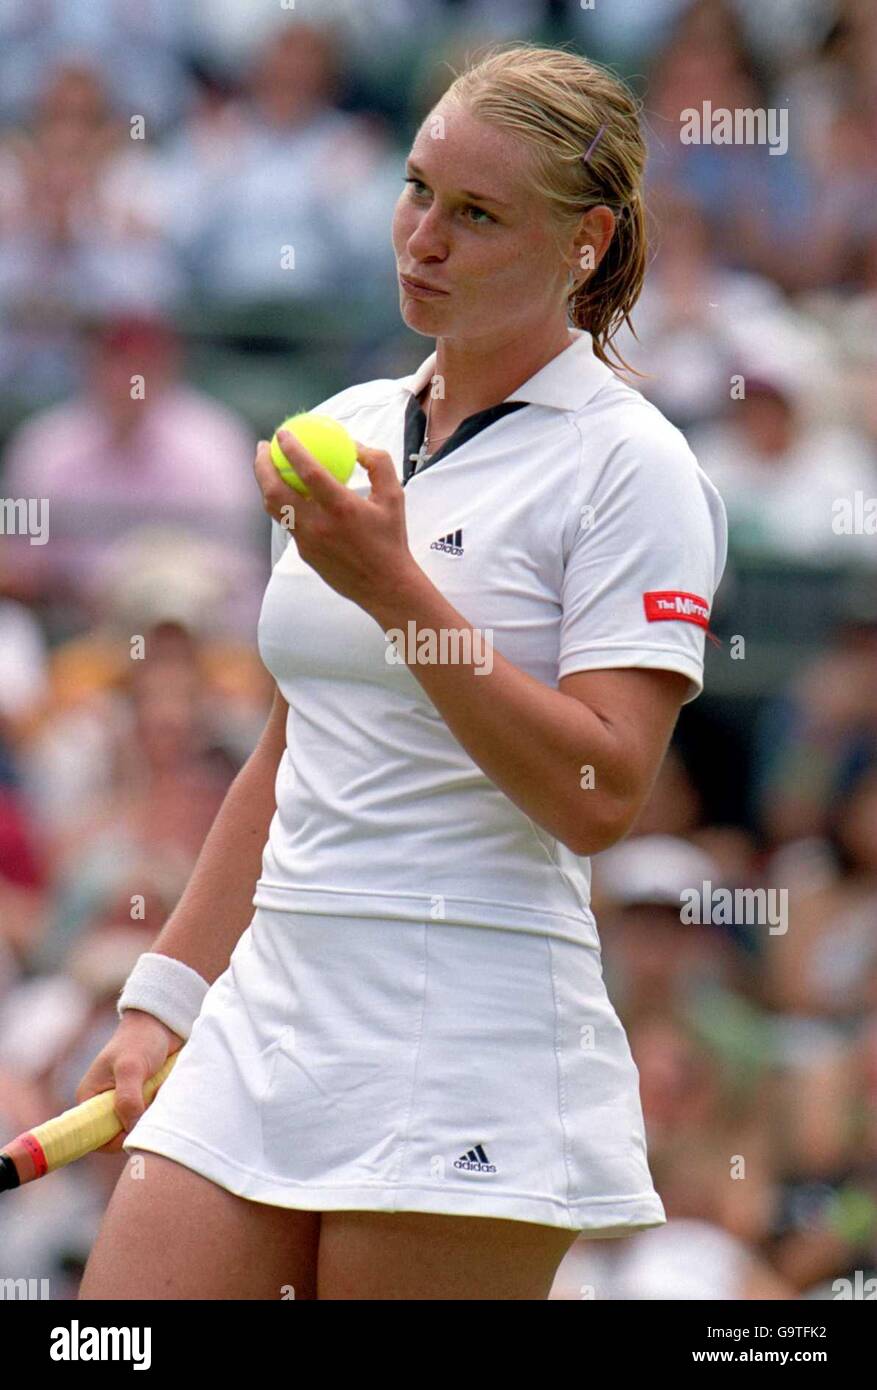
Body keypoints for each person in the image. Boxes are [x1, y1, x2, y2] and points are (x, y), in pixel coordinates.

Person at [76, 43, 727, 1301]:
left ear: (583, 241)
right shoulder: (354, 425)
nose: (421, 237)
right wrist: (163, 996)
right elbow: (290, 747)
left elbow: (600, 792)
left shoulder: (633, 467)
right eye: (417, 188)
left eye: (475, 214)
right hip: (264, 1013)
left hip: (467, 1034)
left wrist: (396, 589)